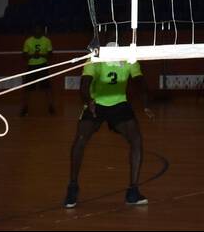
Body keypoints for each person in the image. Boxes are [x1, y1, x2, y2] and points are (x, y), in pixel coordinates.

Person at [63, 56, 154, 208]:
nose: (114, 39)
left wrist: (146, 106)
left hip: (119, 104)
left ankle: (133, 191)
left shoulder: (129, 58)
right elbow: (84, 85)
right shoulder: (95, 59)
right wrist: (88, 101)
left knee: (136, 140)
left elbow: (140, 83)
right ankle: (72, 188)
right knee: (80, 139)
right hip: (96, 103)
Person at [20, 24, 56, 116]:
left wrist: (41, 55)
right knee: (28, 88)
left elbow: (50, 54)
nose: (37, 31)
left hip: (43, 66)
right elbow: (24, 55)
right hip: (31, 67)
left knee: (47, 88)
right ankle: (25, 108)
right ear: (33, 30)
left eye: (39, 29)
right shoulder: (28, 41)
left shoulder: (47, 41)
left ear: (42, 30)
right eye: (36, 29)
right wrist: (32, 55)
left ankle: (51, 107)